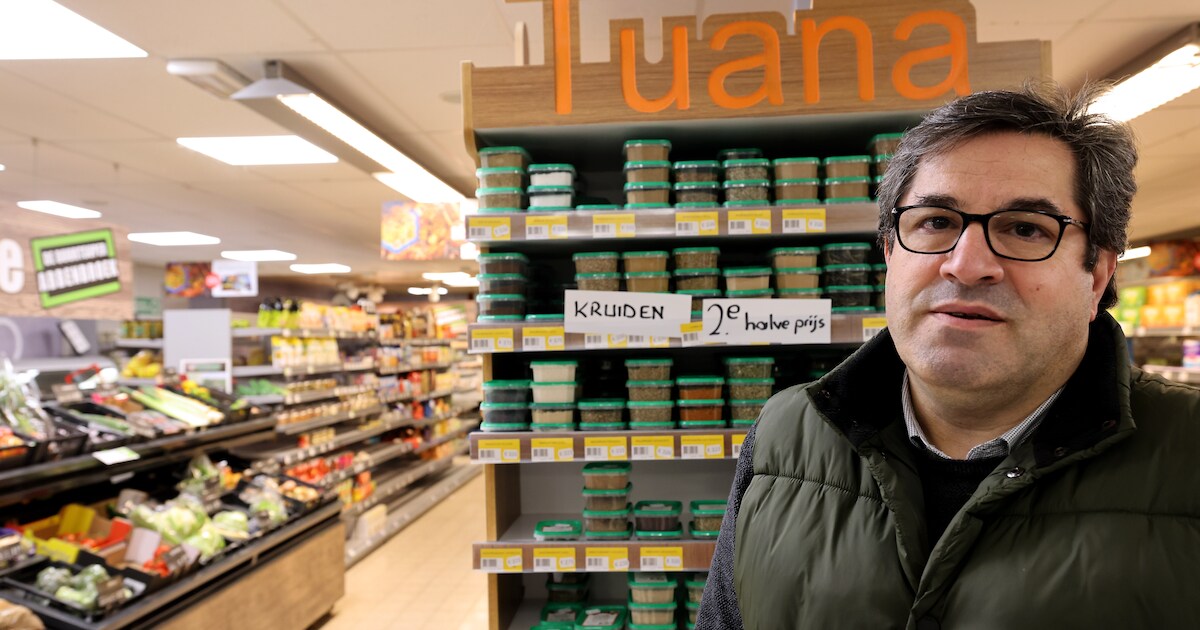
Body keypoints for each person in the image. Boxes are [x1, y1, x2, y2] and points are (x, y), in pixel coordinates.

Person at [696, 83, 1200, 629]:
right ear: (890, 252)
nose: (966, 265)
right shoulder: (782, 436)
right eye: (936, 221)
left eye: (1026, 229)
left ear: (1097, 274)